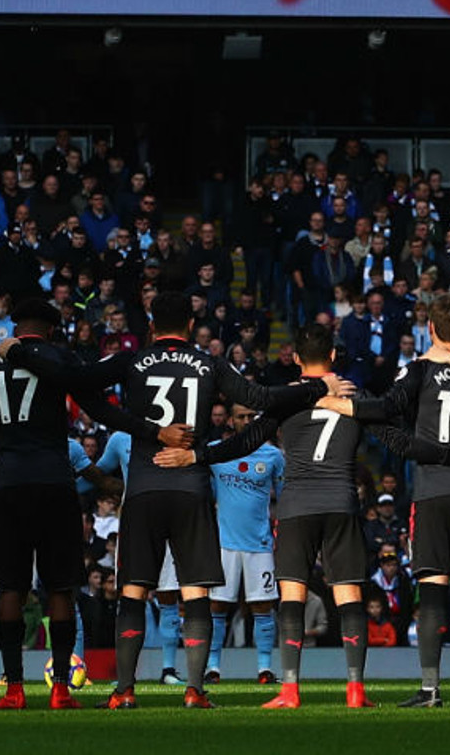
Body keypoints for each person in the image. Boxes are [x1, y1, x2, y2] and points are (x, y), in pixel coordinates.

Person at [79, 290, 344, 709]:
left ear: (151, 326)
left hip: (144, 488)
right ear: (189, 325)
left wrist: (144, 429)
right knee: (195, 592)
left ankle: (124, 692)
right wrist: (314, 387)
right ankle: (194, 690)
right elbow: (260, 400)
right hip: (191, 487)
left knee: (132, 591)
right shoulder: (209, 363)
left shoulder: (132, 360)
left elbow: (84, 391)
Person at [256, 323, 450, 710]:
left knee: (291, 595)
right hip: (341, 503)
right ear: (333, 356)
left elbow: (246, 437)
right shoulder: (356, 397)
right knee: (349, 595)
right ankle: (355, 690)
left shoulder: (283, 400)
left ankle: (290, 690)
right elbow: (401, 442)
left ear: (295, 358)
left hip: (295, 506)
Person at [0, 298, 179, 710]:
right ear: (51, 329)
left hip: (9, 483)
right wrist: (155, 431)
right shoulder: (59, 359)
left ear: (16, 326)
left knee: (11, 587)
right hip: (54, 481)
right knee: (60, 587)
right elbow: (102, 410)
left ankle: (14, 689)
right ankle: (61, 689)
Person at [317, 294, 450, 708]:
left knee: (433, 587)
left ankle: (431, 689)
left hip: (434, 492)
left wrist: (338, 403)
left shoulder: (418, 371)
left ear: (431, 330)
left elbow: (385, 407)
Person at [203, 404, 281, 685]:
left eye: (251, 416)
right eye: (241, 417)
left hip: (259, 545)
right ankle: (212, 667)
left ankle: (264, 669)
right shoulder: (214, 452)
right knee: (217, 608)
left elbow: (283, 499)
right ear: (230, 421)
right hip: (223, 545)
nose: (247, 421)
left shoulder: (273, 455)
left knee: (263, 606)